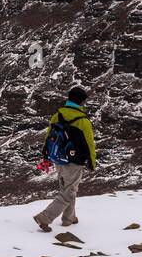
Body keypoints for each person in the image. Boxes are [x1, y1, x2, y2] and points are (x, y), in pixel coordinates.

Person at [33, 87, 97, 232]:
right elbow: (89, 144)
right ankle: (45, 217)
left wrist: (46, 155)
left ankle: (69, 218)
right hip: (74, 161)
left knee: (68, 188)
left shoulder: (57, 115)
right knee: (69, 191)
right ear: (81, 101)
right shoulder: (83, 121)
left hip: (58, 158)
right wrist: (92, 162)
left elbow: (49, 136)